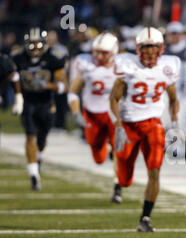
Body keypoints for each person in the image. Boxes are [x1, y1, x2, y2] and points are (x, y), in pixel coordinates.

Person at [110, 27, 180, 232]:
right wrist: (118, 121)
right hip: (129, 125)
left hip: (153, 124)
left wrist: (174, 118)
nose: (150, 52)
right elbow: (114, 98)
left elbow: (174, 98)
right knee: (124, 178)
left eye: (153, 47)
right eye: (146, 47)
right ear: (138, 49)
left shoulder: (168, 66)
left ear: (161, 48)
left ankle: (145, 218)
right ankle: (118, 183)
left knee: (155, 171)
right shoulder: (127, 65)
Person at [68, 32, 123, 203]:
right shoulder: (84, 63)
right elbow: (73, 91)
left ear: (113, 52)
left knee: (119, 150)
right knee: (98, 159)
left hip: (116, 114)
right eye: (96, 52)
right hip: (93, 113)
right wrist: (76, 113)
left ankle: (117, 187)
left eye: (103, 53)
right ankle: (106, 149)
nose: (98, 56)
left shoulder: (124, 65)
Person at [12, 27, 67, 190]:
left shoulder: (53, 59)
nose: (35, 49)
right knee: (30, 137)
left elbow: (63, 86)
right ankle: (34, 175)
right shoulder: (18, 59)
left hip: (46, 103)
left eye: (38, 45)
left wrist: (48, 85)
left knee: (41, 141)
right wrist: (17, 97)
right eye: (32, 45)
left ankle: (39, 157)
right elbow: (10, 77)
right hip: (28, 103)